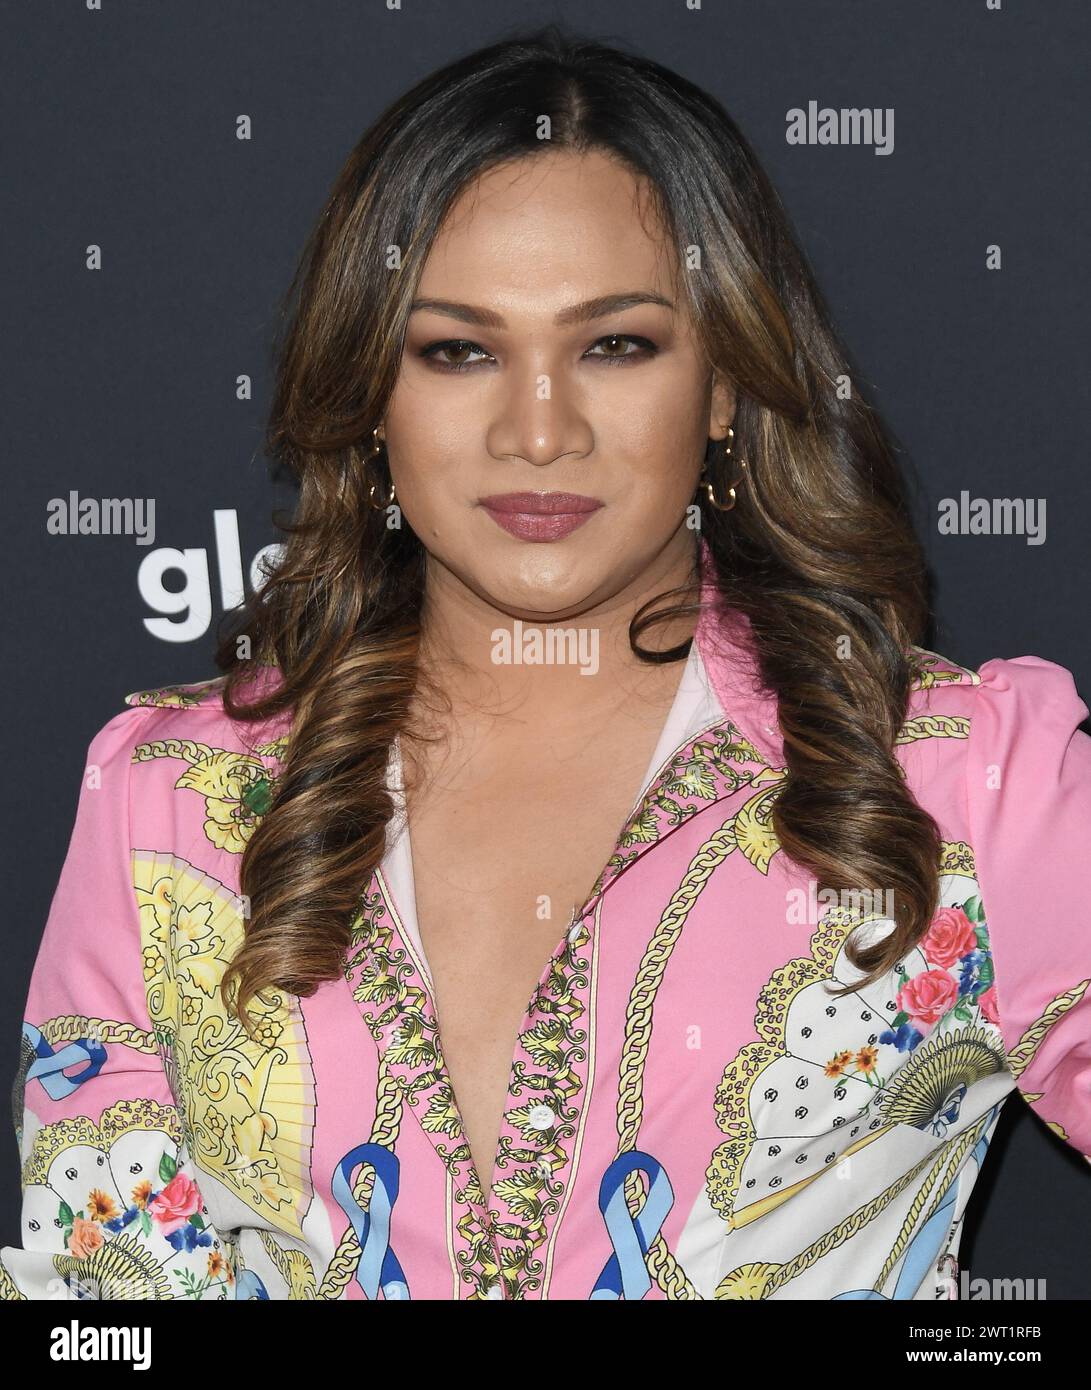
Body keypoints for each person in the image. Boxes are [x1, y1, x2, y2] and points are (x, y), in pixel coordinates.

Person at [4, 25, 1089, 1303]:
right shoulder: (169, 799)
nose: (538, 430)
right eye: (457, 349)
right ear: (368, 390)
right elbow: (93, 1320)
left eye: (614, 345)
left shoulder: (958, 781)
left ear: (727, 382)